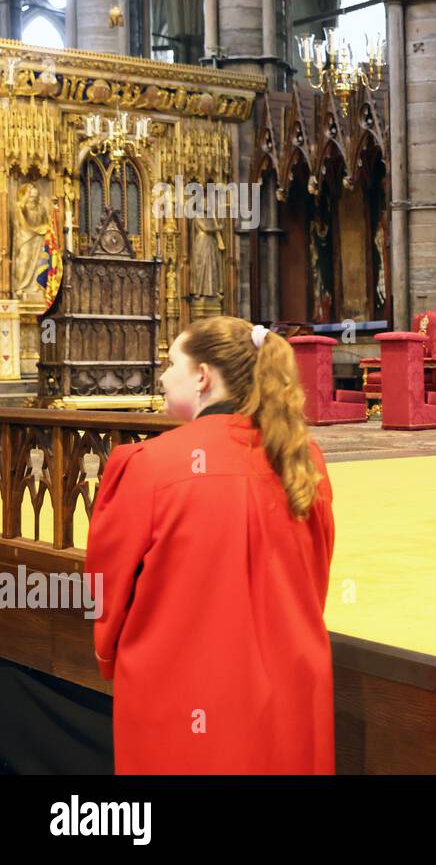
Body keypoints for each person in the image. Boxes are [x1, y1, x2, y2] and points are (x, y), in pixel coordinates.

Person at [86, 316, 336, 774]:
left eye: (171, 362)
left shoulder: (147, 465)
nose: (161, 375)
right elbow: (314, 578)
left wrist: (108, 656)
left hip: (181, 695)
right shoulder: (302, 457)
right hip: (290, 691)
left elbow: (107, 590)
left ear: (202, 376)